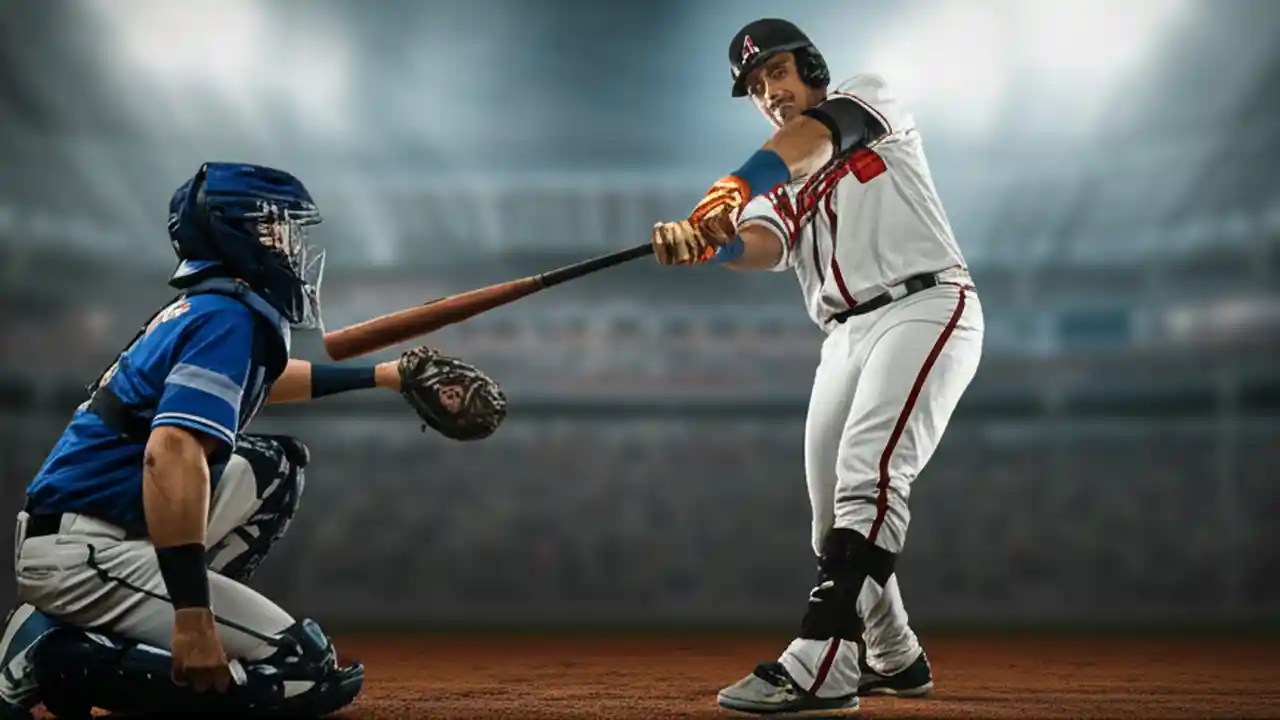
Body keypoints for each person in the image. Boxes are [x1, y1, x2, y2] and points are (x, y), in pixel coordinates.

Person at [0, 162, 507, 718]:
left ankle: (86, 623)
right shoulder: (227, 317)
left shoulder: (209, 310)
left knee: (273, 465)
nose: (289, 243)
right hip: (88, 550)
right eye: (275, 227)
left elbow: (264, 378)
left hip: (91, 534)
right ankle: (54, 652)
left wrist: (382, 376)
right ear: (230, 232)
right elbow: (169, 454)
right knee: (300, 674)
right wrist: (194, 616)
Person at [650, 18, 985, 716]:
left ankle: (825, 656)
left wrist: (734, 182)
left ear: (811, 66)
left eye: (777, 72)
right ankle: (895, 658)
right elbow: (761, 245)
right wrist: (707, 245)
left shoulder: (870, 98)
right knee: (829, 520)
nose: (769, 92)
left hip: (923, 303)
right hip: (843, 334)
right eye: (754, 86)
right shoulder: (779, 184)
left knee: (870, 474)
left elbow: (810, 143)